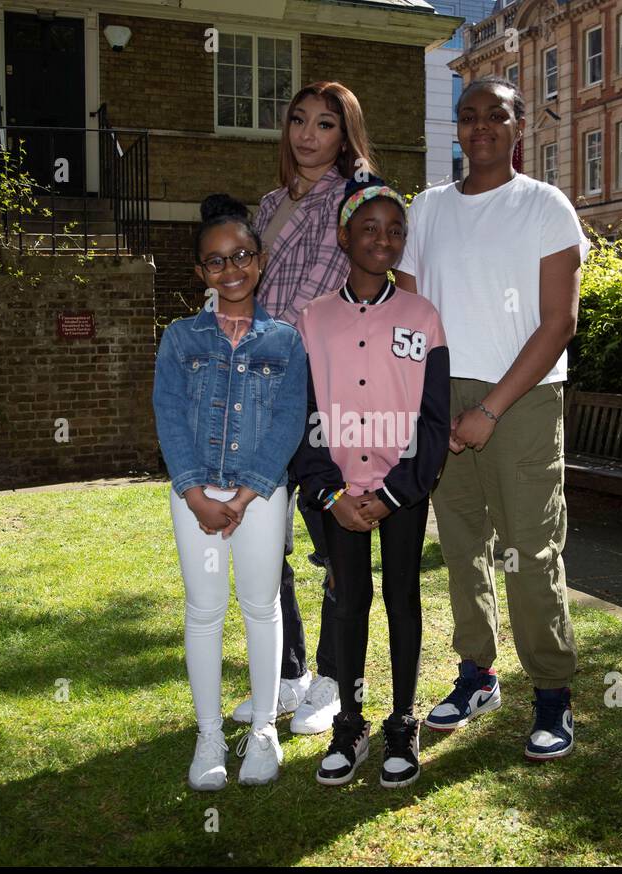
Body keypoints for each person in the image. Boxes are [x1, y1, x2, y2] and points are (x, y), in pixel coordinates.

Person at [395, 77, 591, 761]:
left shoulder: (544, 206)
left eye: (495, 117)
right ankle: (477, 674)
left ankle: (552, 691)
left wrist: (489, 408)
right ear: (457, 128)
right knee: (460, 546)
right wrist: (425, 401)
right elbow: (413, 313)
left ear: (518, 127)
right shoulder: (427, 208)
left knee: (531, 553)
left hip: (522, 398)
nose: (481, 127)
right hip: (442, 395)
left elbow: (559, 321)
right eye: (469, 116)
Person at [230, 81, 382, 735]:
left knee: (335, 542)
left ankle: (335, 678)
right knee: (262, 543)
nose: (306, 134)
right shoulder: (268, 204)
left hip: (326, 390)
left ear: (344, 138)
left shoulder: (358, 200)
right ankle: (287, 674)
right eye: (298, 120)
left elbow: (325, 294)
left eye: (324, 125)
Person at [293, 182, 450, 787]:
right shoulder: (313, 319)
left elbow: (433, 419)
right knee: (349, 602)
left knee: (402, 601)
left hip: (401, 492)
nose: (383, 238)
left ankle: (402, 721)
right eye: (369, 227)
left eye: (394, 230)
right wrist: (331, 493)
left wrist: (392, 493)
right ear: (344, 237)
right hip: (338, 495)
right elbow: (302, 414)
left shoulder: (422, 316)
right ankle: (351, 722)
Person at [152, 194, 307, 790]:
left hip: (260, 496)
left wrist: (243, 498)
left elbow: (289, 421)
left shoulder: (285, 342)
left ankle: (264, 728)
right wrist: (196, 494)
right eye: (216, 262)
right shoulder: (180, 339)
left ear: (260, 260)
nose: (231, 269)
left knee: (262, 607)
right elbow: (168, 416)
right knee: (204, 611)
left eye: (242, 255)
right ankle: (210, 734)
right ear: (201, 273)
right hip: (195, 494)